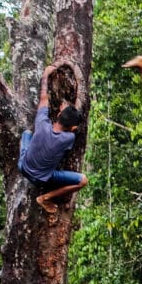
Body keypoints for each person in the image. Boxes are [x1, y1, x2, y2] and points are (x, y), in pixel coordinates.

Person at [18, 64, 89, 214]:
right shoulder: (68, 138)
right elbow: (75, 117)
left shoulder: (42, 122)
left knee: (26, 133)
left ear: (58, 115)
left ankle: (29, 159)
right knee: (83, 180)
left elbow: (44, 97)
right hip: (41, 179)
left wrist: (46, 74)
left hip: (23, 167)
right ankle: (45, 198)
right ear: (72, 128)